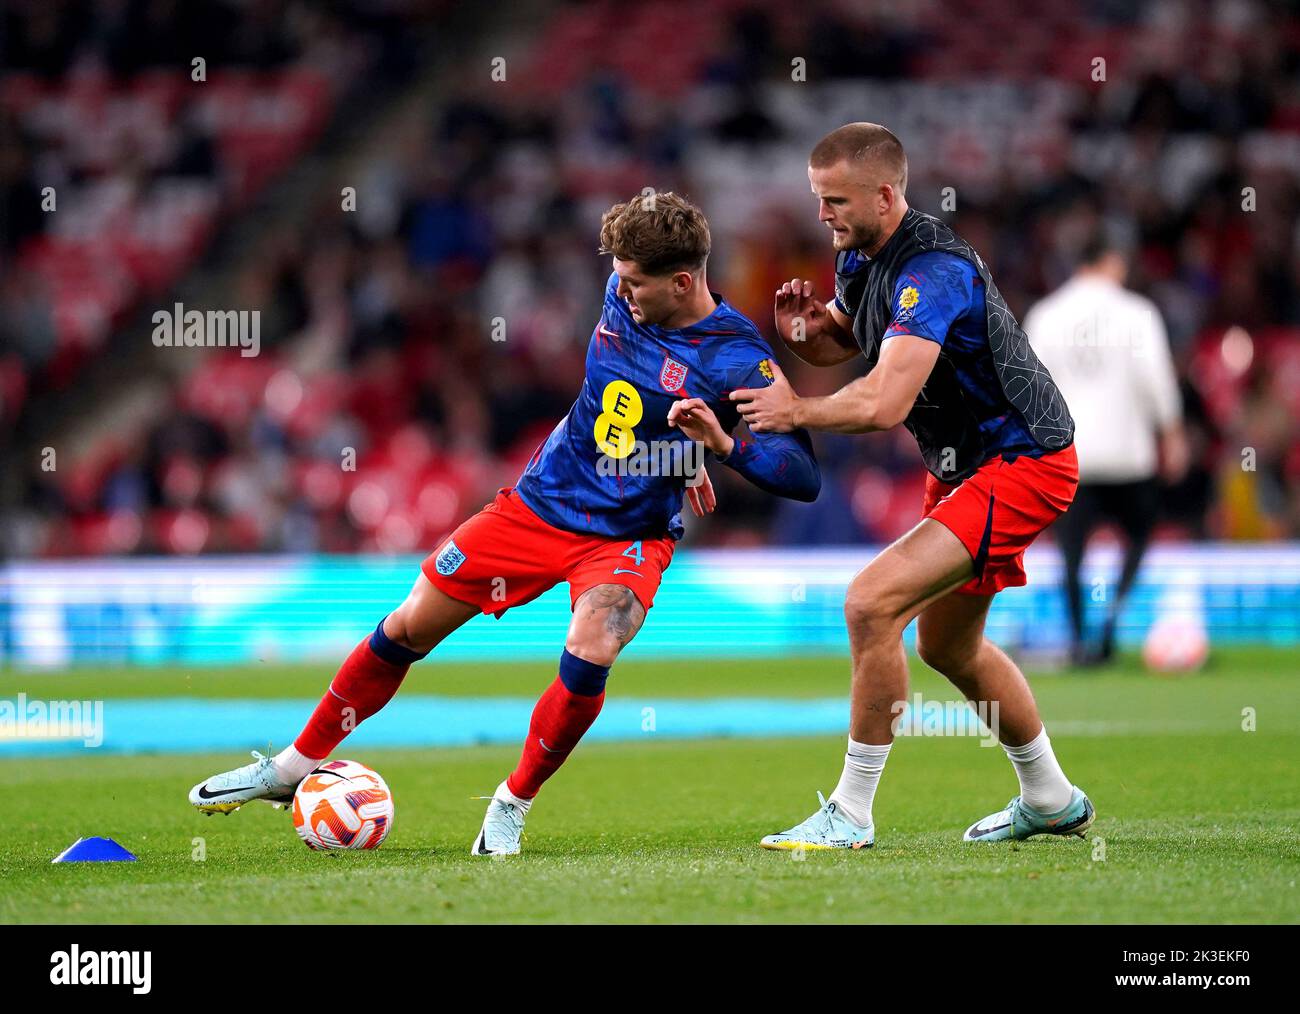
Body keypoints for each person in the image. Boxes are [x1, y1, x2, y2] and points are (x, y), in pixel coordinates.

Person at [188, 192, 820, 855]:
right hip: (539, 503)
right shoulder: (620, 290)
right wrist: (674, 451)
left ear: (684, 281)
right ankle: (290, 769)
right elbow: (627, 399)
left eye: (637, 283)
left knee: (592, 646)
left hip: (628, 535)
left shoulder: (736, 356)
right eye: (621, 277)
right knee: (407, 626)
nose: (623, 292)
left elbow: (801, 474)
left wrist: (722, 447)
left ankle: (512, 801)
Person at [734, 122, 1094, 848]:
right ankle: (1052, 799)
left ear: (885, 195)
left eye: (835, 201)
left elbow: (884, 402)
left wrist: (797, 408)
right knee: (948, 648)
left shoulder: (932, 270)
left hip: (1022, 463)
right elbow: (856, 334)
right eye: (817, 199)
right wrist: (811, 336)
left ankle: (851, 812)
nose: (822, 216)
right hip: (966, 469)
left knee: (870, 604)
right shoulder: (862, 257)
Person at [1024, 232, 1187, 664]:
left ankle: (1080, 640)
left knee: (1071, 555)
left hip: (1069, 456)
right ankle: (1112, 616)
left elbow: (1031, 387)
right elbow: (1155, 377)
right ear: (1112, 262)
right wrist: (1171, 433)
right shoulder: (1137, 313)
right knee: (1138, 534)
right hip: (1128, 453)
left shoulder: (1047, 313)